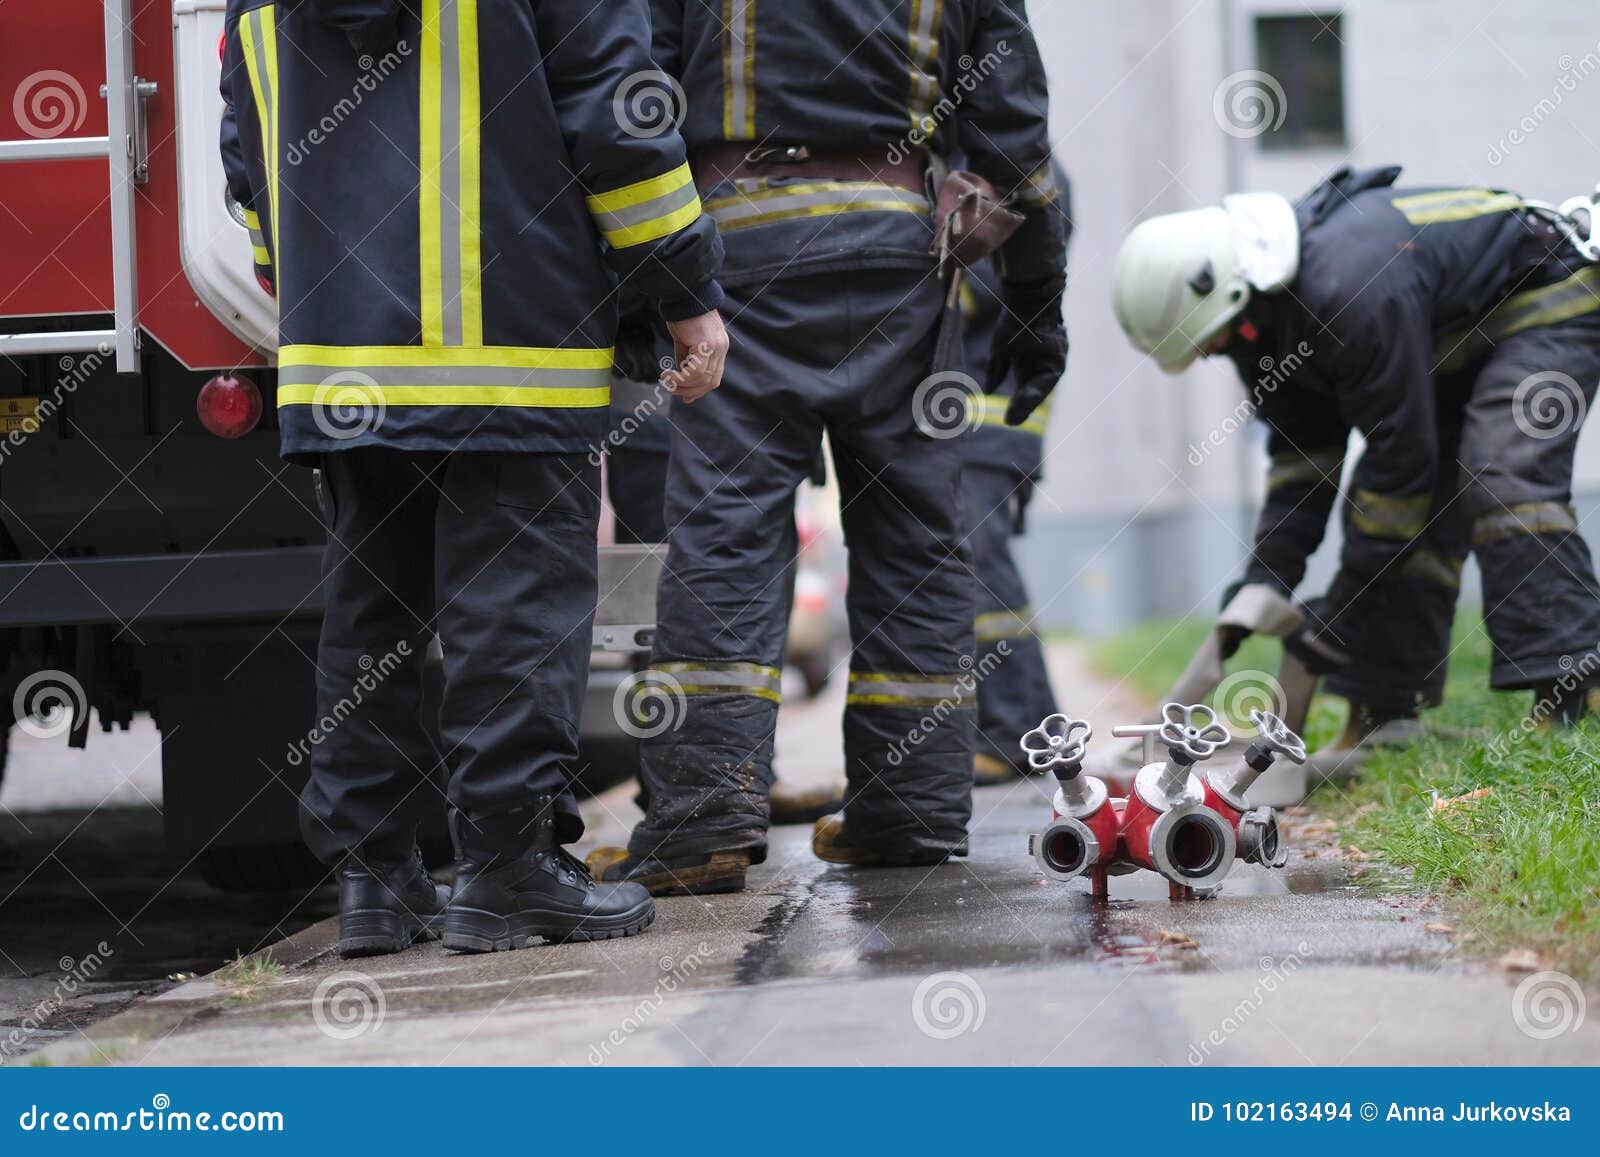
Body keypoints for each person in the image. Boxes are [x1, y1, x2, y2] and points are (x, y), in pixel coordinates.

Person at [220, 0, 726, 956]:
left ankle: (374, 879)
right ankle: (506, 870)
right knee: (516, 612)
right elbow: (623, 117)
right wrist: (685, 291)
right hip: (514, 346)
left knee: (370, 610)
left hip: (346, 363)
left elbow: (245, 148)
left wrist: (317, 282)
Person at [587, 0, 1067, 895]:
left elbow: (631, 96)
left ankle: (703, 823)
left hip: (740, 261)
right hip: (904, 261)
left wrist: (639, 286)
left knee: (727, 529)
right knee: (918, 534)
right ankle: (911, 809)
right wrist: (1038, 303)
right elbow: (1014, 125)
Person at [1111, 166, 1600, 751]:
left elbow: (1399, 471)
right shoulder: (1257, 326)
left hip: (1543, 295)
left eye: (1206, 340)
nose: (1210, 353)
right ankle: (1385, 715)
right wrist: (1264, 581)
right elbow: (1301, 465)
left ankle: (1575, 695)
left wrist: (1339, 614)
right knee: (1409, 524)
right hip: (1448, 342)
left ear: (1231, 291)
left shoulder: (1349, 288)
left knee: (1501, 477)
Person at [960, 168, 1072, 785]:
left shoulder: (1023, 174)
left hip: (988, 419)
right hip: (977, 421)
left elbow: (974, 284)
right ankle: (1034, 733)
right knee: (980, 568)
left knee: (980, 565)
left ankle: (1013, 735)